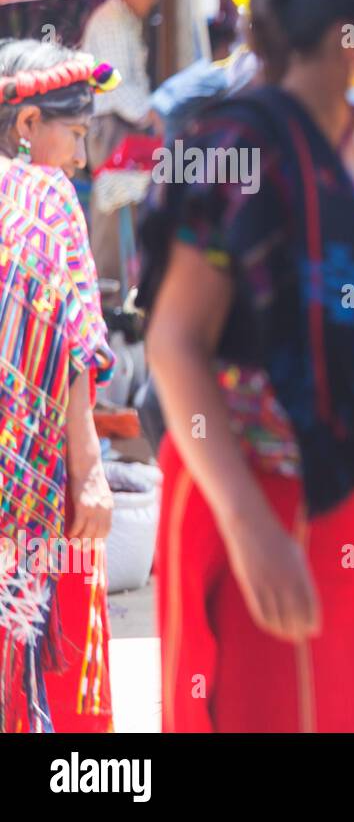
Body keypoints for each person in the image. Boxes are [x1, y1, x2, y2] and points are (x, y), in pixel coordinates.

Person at [137, 0, 354, 732]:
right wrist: (249, 525)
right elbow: (175, 343)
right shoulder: (238, 147)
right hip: (253, 502)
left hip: (351, 503)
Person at [0, 45, 118, 732]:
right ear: (28, 122)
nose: (80, 157)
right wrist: (91, 469)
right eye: (75, 135)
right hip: (35, 489)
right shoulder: (49, 201)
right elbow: (78, 350)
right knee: (41, 655)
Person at [80, 0, 179, 310]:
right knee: (112, 212)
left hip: (123, 125)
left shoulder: (124, 21)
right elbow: (117, 89)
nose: (155, 0)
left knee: (125, 212)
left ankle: (122, 297)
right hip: (113, 126)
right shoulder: (110, 22)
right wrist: (152, 114)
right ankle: (108, 305)